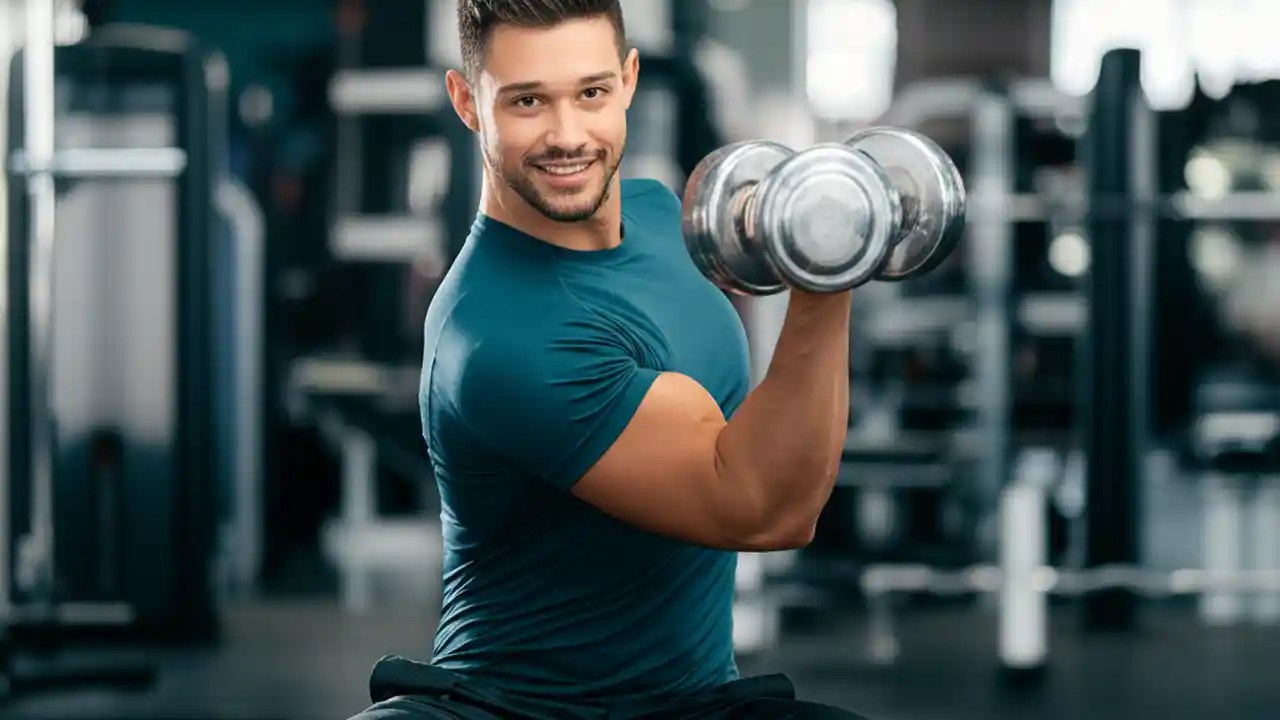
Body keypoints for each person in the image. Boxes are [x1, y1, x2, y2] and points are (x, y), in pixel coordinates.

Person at [351, 1, 868, 718]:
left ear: (628, 80)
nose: (568, 136)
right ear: (467, 102)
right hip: (513, 710)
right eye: (528, 101)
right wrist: (829, 257)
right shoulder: (497, 334)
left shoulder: (660, 214)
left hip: (693, 701)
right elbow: (766, 509)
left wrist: (779, 221)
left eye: (590, 93)